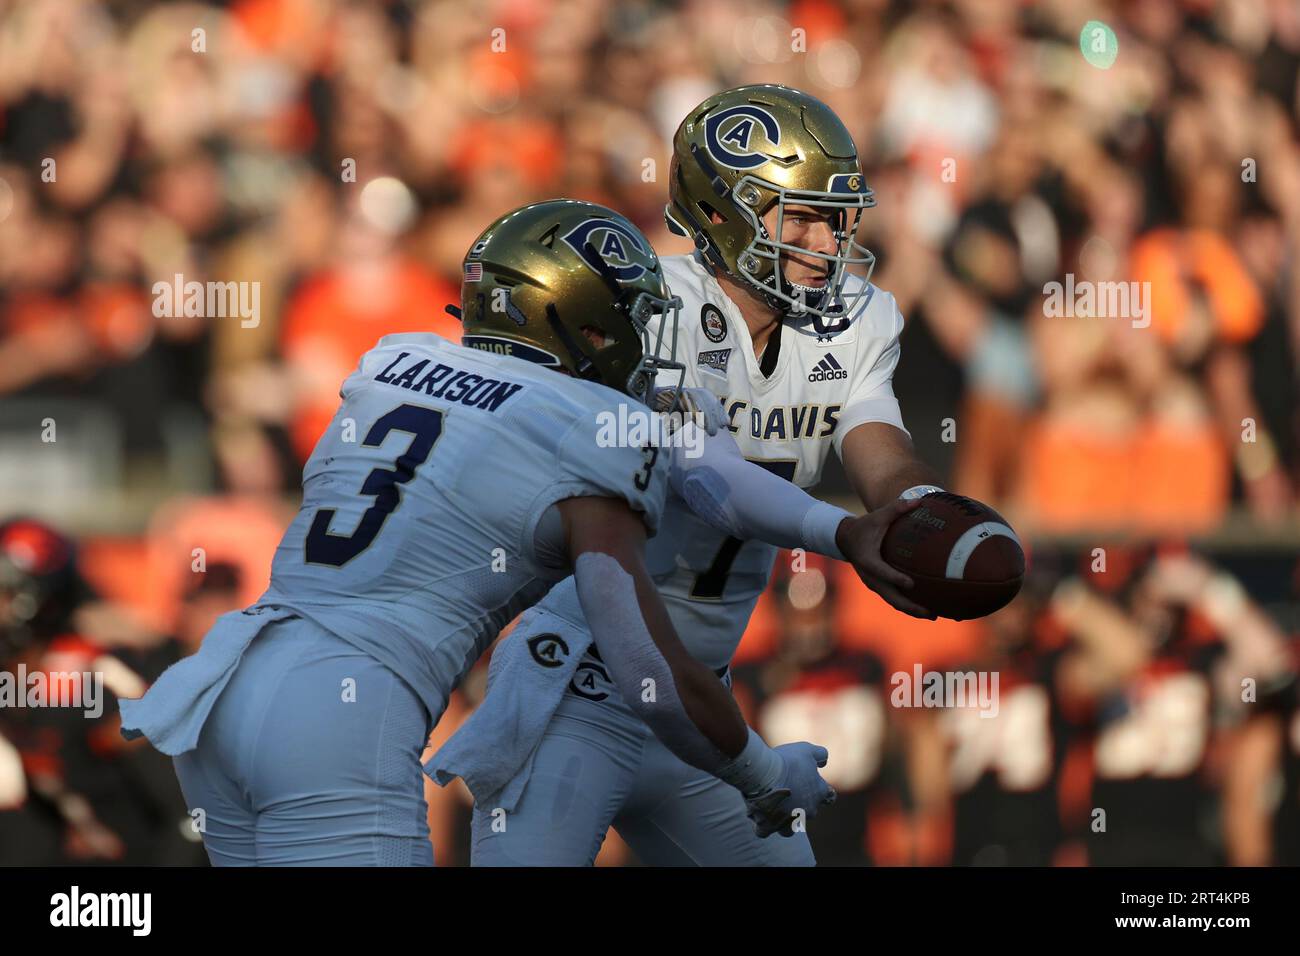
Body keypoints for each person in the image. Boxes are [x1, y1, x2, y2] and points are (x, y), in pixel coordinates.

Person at [120, 199, 835, 866]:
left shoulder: (392, 363)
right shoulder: (592, 431)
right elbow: (647, 671)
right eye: (630, 319)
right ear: (584, 324)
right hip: (341, 713)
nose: (641, 342)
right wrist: (762, 774)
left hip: (227, 683)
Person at [443, 85, 947, 866]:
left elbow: (878, 439)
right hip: (576, 689)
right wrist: (845, 533)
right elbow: (710, 481)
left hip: (699, 705)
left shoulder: (858, 317)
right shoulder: (645, 307)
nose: (827, 240)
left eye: (835, 217)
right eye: (802, 217)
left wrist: (922, 512)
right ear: (724, 215)